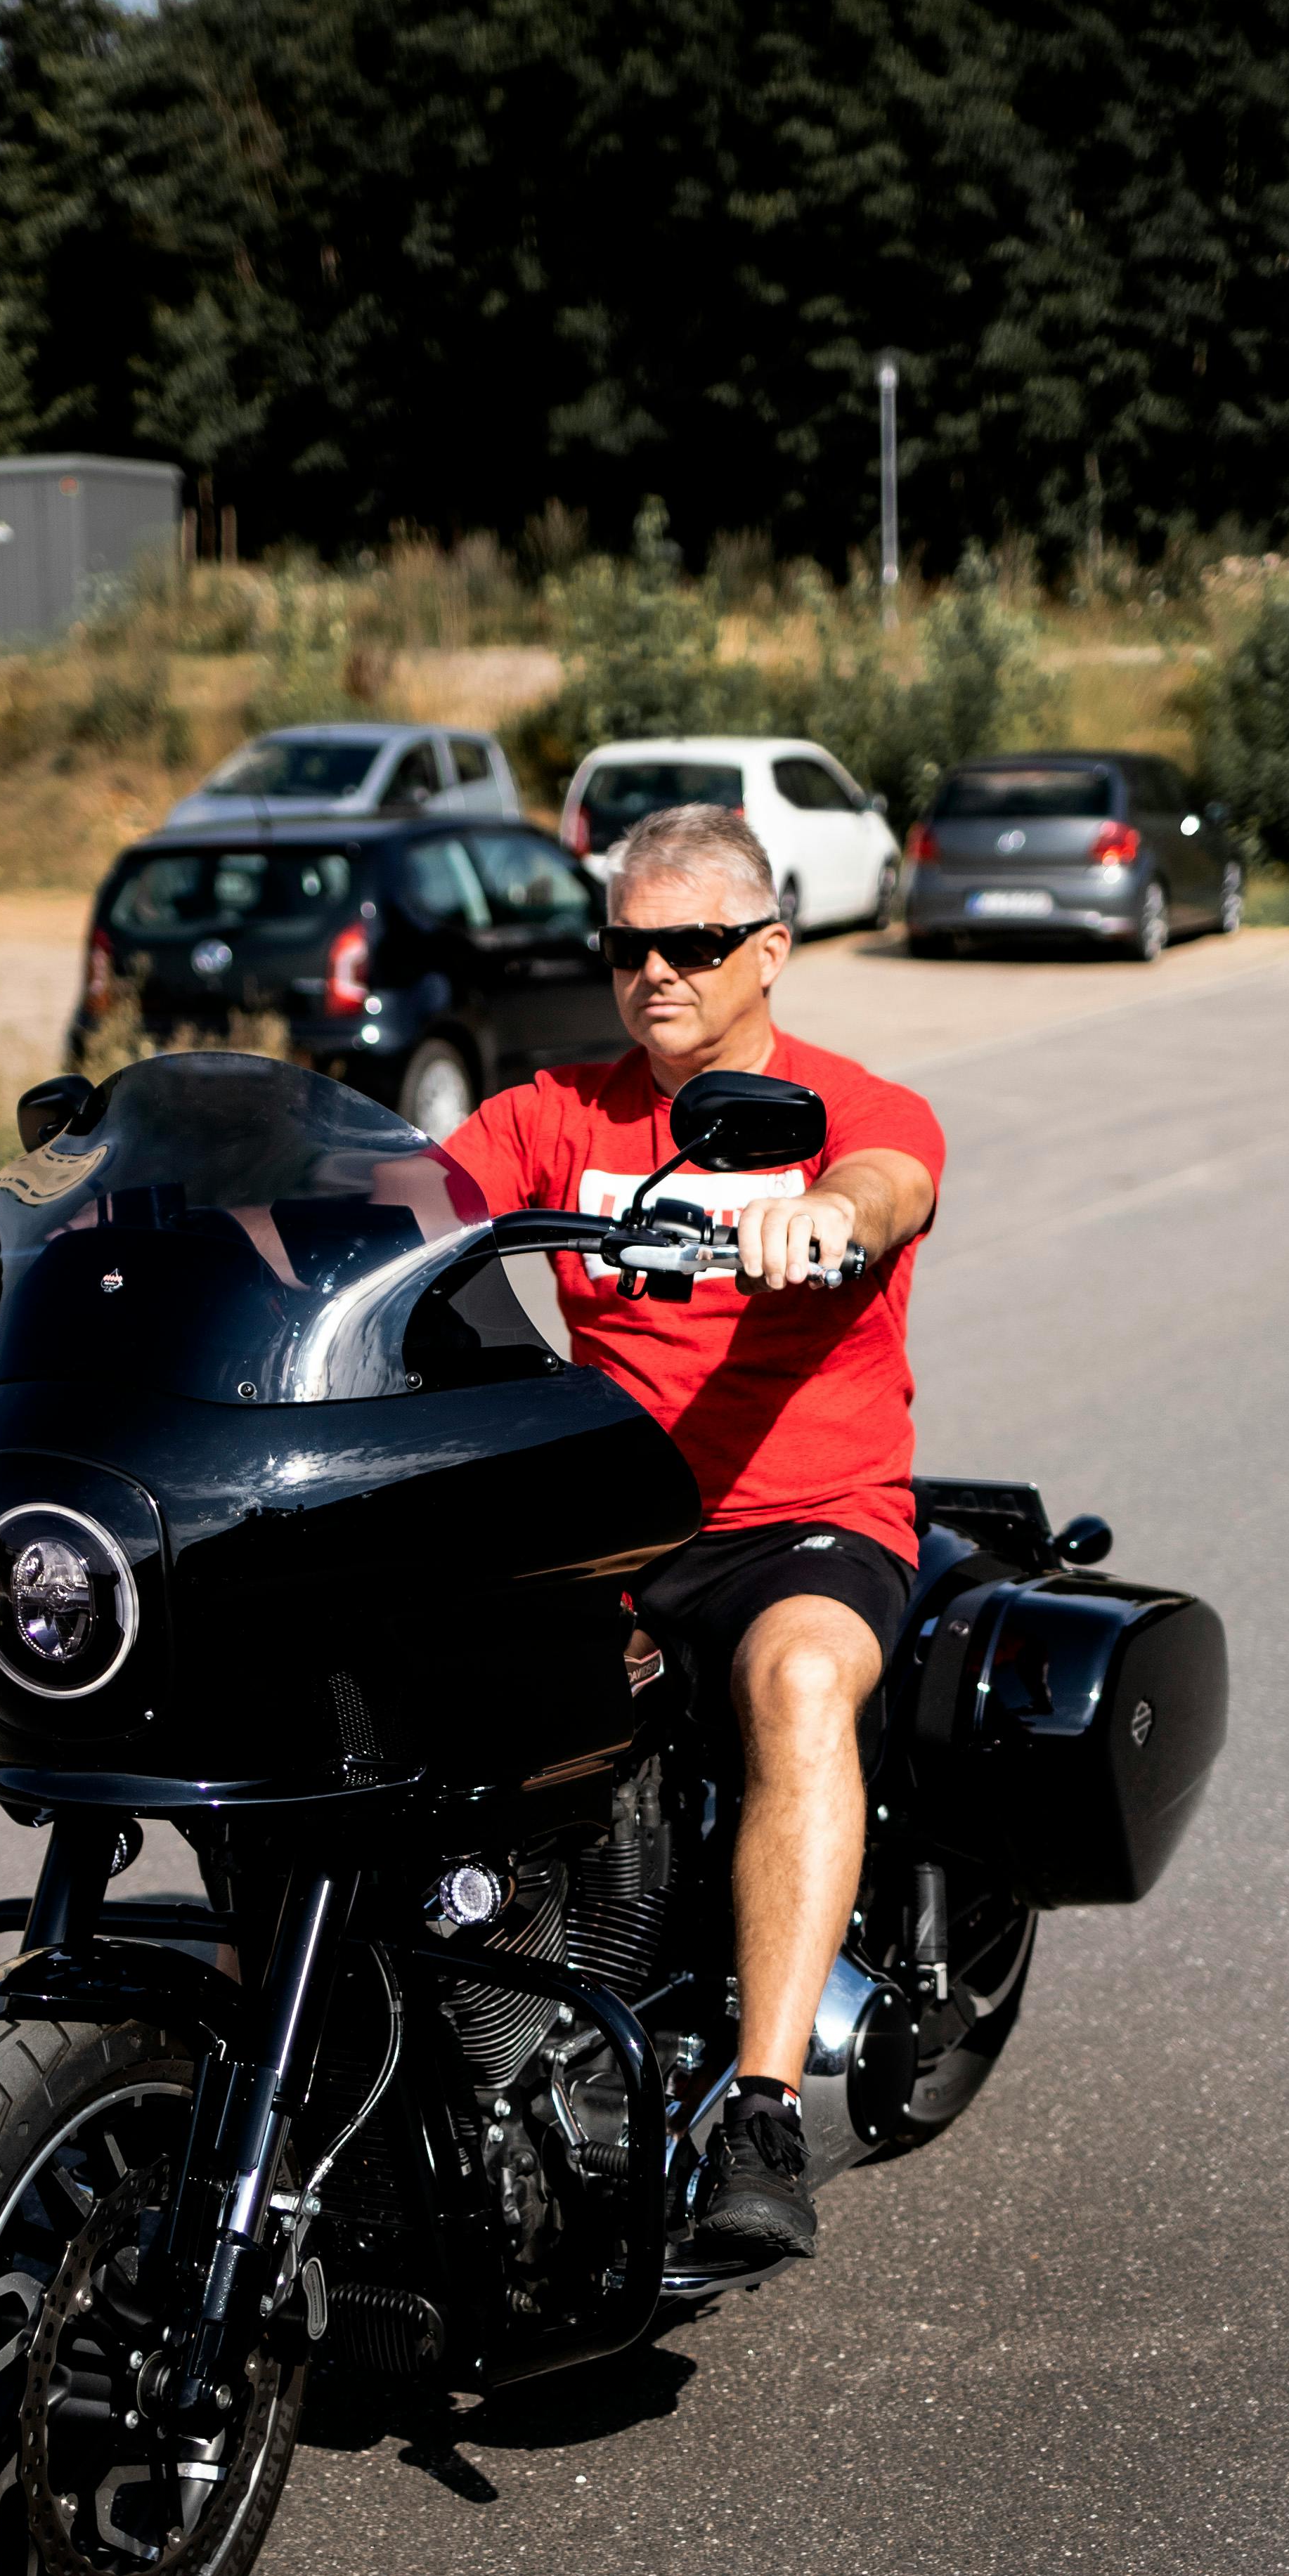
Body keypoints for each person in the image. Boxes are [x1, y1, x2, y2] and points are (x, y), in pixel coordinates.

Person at [442, 801, 943, 2263]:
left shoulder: (854, 1107)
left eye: (693, 943)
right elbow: (412, 1200)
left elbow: (889, 1181)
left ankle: (766, 2112)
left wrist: (825, 1218)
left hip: (809, 1520)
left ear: (769, 948)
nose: (655, 971)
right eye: (627, 946)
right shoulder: (561, 1112)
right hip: (616, 1530)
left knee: (795, 1683)